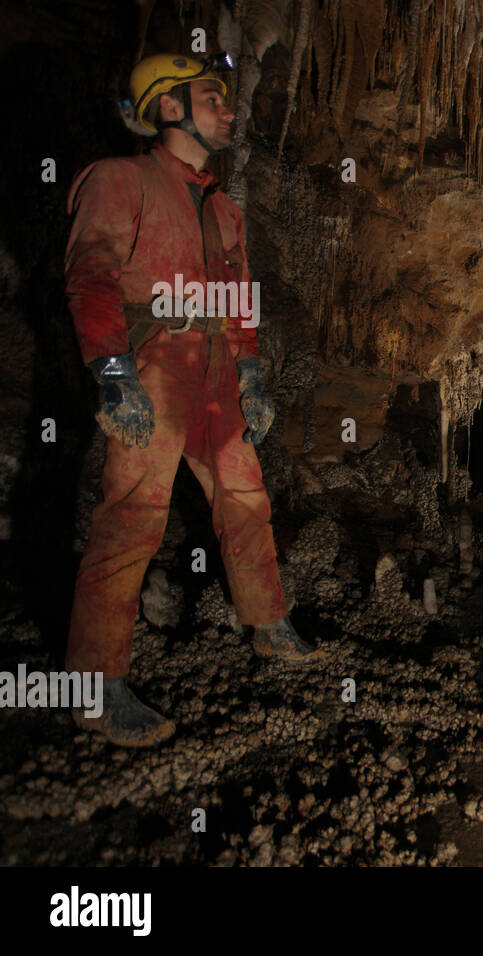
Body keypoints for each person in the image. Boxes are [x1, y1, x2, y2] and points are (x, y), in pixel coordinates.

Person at [63, 53, 321, 748]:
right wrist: (112, 371)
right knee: (132, 517)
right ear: (170, 108)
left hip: (214, 371)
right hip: (156, 361)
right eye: (214, 98)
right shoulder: (121, 180)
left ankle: (270, 625)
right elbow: (92, 274)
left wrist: (251, 372)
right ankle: (95, 688)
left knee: (246, 500)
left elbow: (238, 305)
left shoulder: (226, 209)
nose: (230, 111)